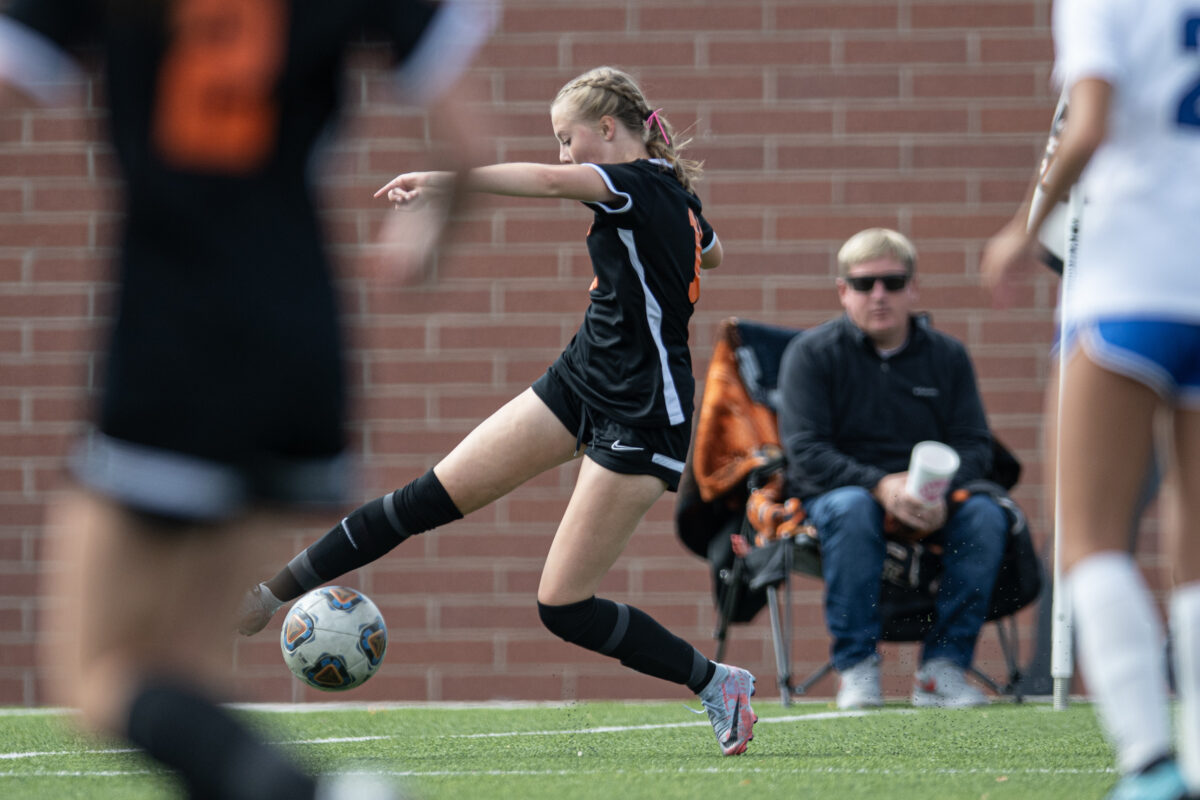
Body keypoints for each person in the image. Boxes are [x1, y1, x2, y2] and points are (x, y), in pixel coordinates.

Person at [0, 1, 494, 798]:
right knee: (190, 672)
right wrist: (424, 241)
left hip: (167, 341)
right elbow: (469, 146)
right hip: (302, 345)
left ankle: (316, 793)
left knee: (96, 673)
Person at [237, 65, 758, 757]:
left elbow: (547, 182)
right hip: (581, 379)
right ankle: (266, 597)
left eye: (568, 140)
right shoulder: (671, 197)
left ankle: (717, 682)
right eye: (558, 144)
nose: (564, 156)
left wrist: (446, 181)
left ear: (607, 129)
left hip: (643, 414)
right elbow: (715, 255)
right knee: (421, 499)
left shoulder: (632, 186)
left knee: (563, 607)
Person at [982, 0, 1200, 796]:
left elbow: (1090, 122)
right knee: (1196, 547)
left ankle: (1149, 762)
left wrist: (1020, 227)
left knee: (1091, 538)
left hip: (1131, 279)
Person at [776, 228, 1008, 710]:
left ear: (913, 288)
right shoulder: (811, 354)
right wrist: (881, 485)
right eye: (863, 285)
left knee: (987, 515)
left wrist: (938, 494)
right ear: (843, 291)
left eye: (892, 282)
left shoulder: (948, 356)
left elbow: (976, 446)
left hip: (936, 500)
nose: (878, 295)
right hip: (842, 498)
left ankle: (942, 670)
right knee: (852, 506)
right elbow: (804, 451)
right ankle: (857, 668)